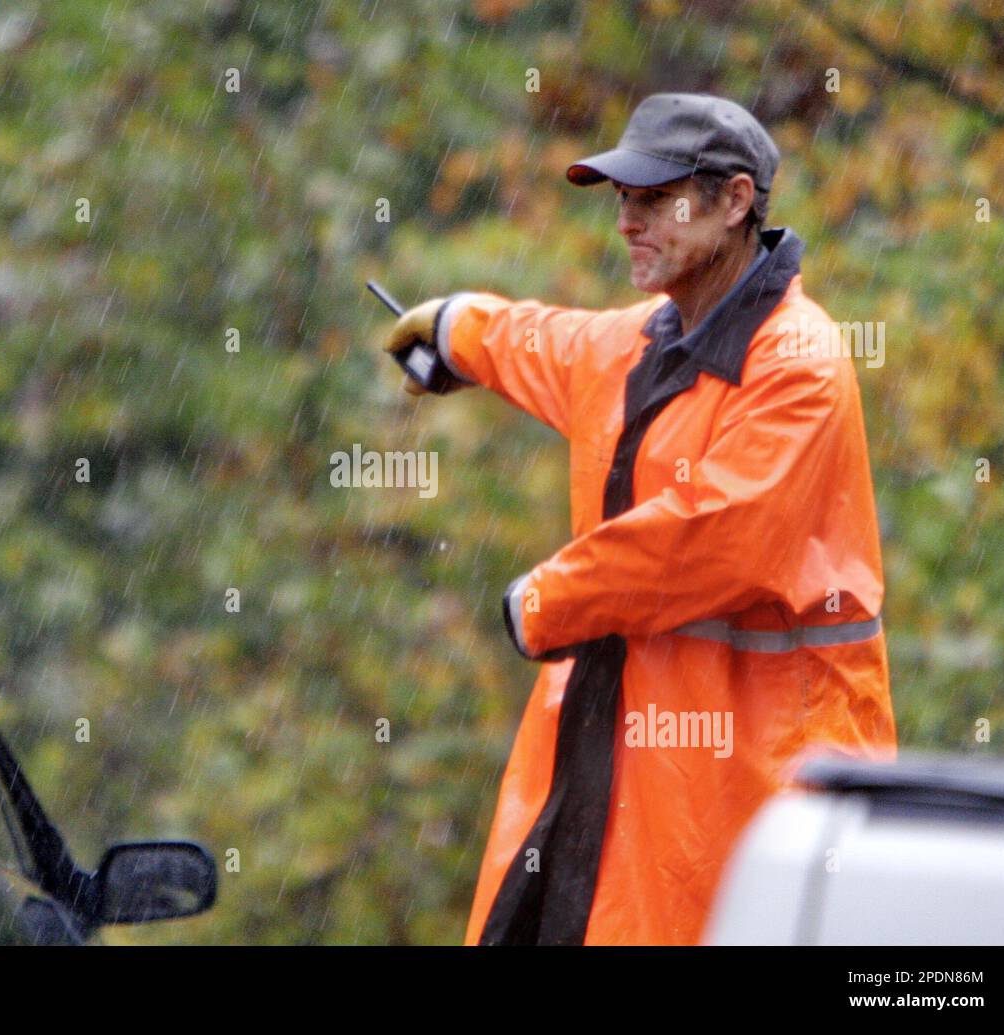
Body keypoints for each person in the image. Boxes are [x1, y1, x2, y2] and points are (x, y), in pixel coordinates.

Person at [382, 93, 897, 945]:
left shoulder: (799, 361)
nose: (626, 221)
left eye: (656, 199)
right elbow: (538, 341)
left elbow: (711, 533)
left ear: (735, 202)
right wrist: (454, 325)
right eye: (623, 199)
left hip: (762, 790)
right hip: (615, 771)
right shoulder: (640, 342)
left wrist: (546, 599)